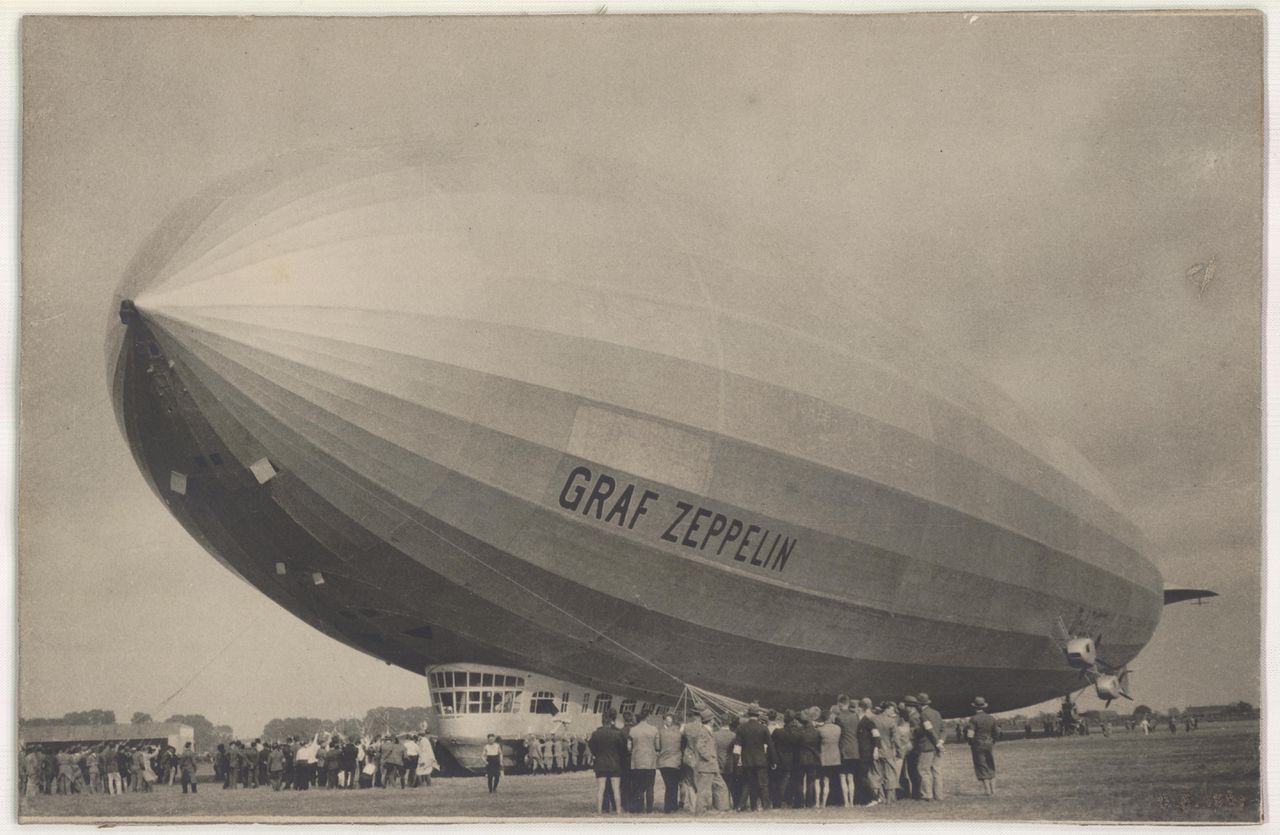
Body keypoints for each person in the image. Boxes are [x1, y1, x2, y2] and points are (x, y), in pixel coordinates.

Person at [734, 703, 771, 811]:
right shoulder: (763, 728)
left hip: (747, 761)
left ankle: (741, 806)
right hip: (761, 760)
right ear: (758, 715)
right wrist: (773, 760)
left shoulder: (741, 728)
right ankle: (766, 806)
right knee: (763, 784)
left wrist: (738, 761)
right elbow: (770, 746)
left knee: (747, 784)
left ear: (748, 714)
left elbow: (737, 747)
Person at [589, 710, 627, 814]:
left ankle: (599, 811)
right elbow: (622, 749)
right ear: (611, 721)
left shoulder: (596, 734)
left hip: (600, 763)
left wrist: (598, 754)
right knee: (616, 789)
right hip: (615, 763)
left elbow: (592, 748)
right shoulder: (617, 734)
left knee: (600, 789)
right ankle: (618, 811)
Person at [913, 693, 944, 801]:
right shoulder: (936, 713)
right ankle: (939, 795)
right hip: (937, 747)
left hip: (926, 746)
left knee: (924, 770)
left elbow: (929, 730)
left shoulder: (923, 715)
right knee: (937, 771)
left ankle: (927, 795)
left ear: (919, 704)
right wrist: (940, 742)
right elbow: (943, 729)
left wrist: (936, 742)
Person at [628, 707, 660, 813]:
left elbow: (629, 747)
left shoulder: (633, 730)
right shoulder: (654, 730)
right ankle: (649, 809)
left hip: (637, 762)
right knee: (650, 786)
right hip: (650, 762)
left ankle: (640, 807)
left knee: (639, 787)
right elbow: (657, 746)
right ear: (648, 716)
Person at [967, 696, 999, 796]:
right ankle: (993, 790)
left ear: (975, 707)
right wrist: (993, 740)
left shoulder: (973, 719)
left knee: (981, 765)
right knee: (990, 764)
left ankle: (987, 791)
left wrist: (971, 742)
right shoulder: (991, 718)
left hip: (978, 744)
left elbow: (970, 734)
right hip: (989, 743)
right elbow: (997, 732)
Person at [833, 695, 860, 807]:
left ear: (840, 704)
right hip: (855, 749)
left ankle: (846, 802)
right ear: (848, 704)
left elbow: (837, 734)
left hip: (843, 750)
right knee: (851, 777)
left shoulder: (838, 718)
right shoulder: (855, 716)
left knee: (843, 777)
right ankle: (852, 802)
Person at [856, 701, 883, 805]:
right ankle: (869, 798)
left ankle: (873, 798)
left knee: (862, 776)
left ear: (859, 709)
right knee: (863, 775)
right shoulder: (862, 721)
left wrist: (876, 749)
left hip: (866, 753)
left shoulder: (868, 722)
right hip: (864, 752)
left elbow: (877, 736)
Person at [657, 713, 683, 812]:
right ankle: (671, 806)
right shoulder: (679, 733)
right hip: (676, 762)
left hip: (664, 762)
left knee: (669, 785)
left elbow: (658, 747)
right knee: (674, 785)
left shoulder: (660, 732)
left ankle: (669, 807)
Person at [817, 709, 841, 808]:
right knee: (835, 780)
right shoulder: (838, 728)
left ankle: (823, 802)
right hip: (836, 758)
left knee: (825, 781)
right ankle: (835, 800)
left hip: (825, 758)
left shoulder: (820, 730)